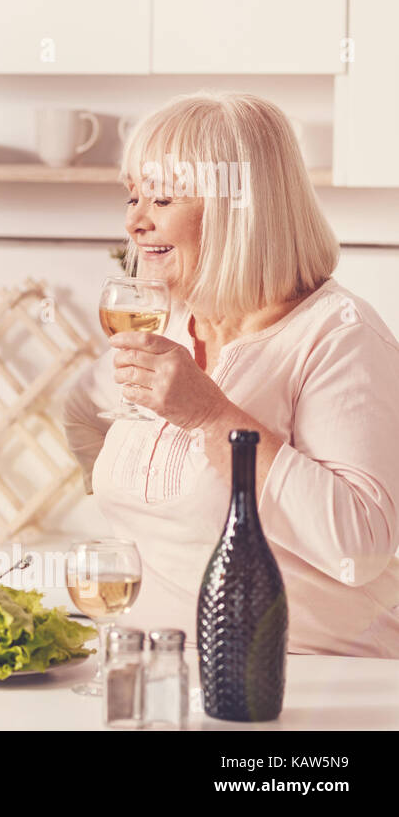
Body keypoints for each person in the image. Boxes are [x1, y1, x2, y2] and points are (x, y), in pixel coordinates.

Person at [63, 91, 399, 657]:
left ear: (239, 208)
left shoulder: (339, 334)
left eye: (162, 198)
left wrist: (211, 416)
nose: (136, 221)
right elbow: (80, 408)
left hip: (310, 685)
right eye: (133, 196)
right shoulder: (166, 325)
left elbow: (359, 547)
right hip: (166, 675)